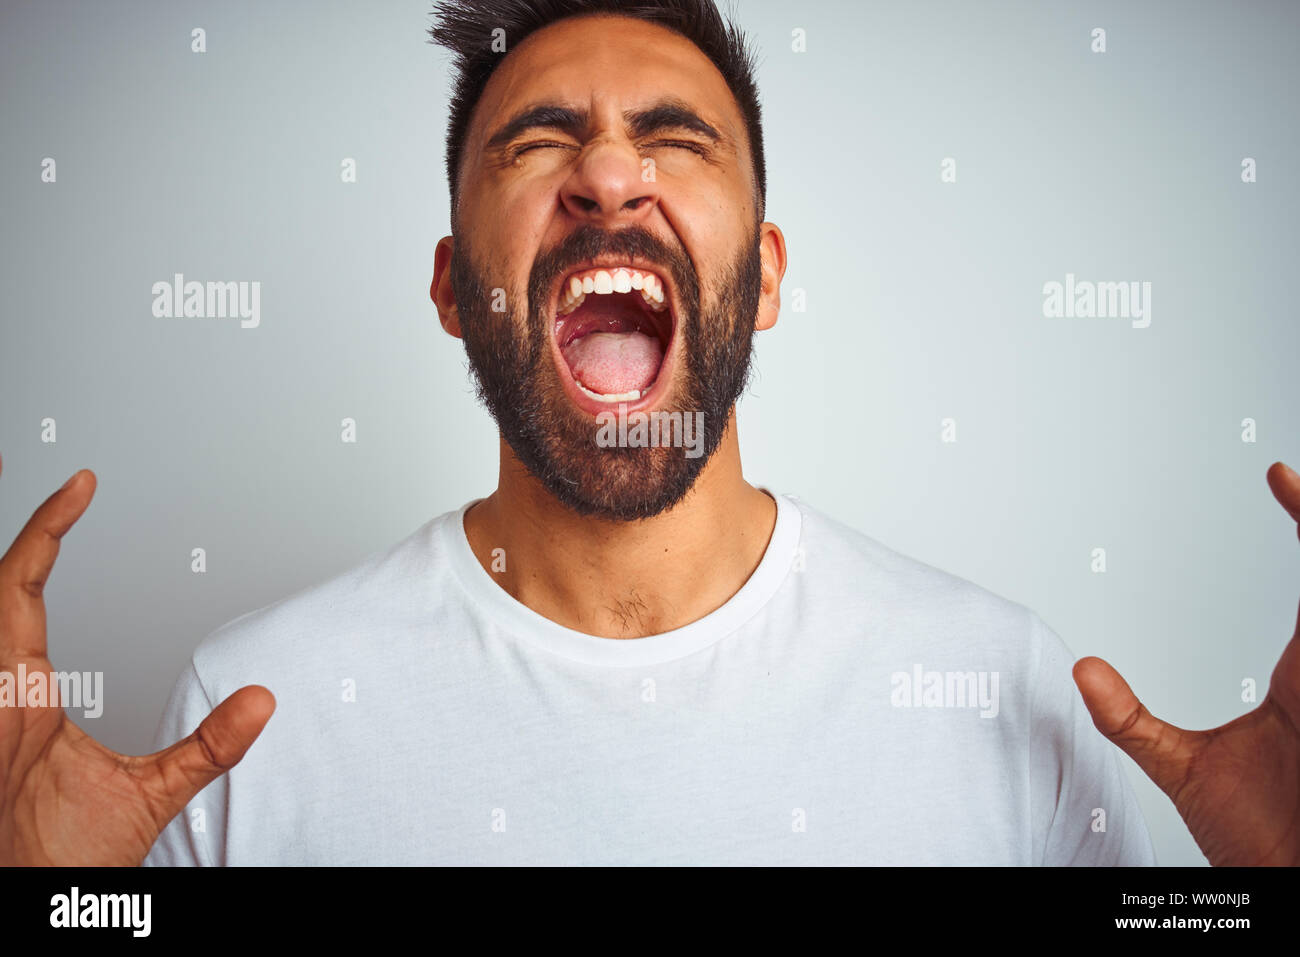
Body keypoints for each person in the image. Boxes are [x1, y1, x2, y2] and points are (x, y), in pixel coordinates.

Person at [2, 0, 1297, 866]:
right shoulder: (249, 712)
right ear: (456, 289)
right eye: (539, 141)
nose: (610, 176)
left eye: (675, 141)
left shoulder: (1002, 683)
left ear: (769, 275)